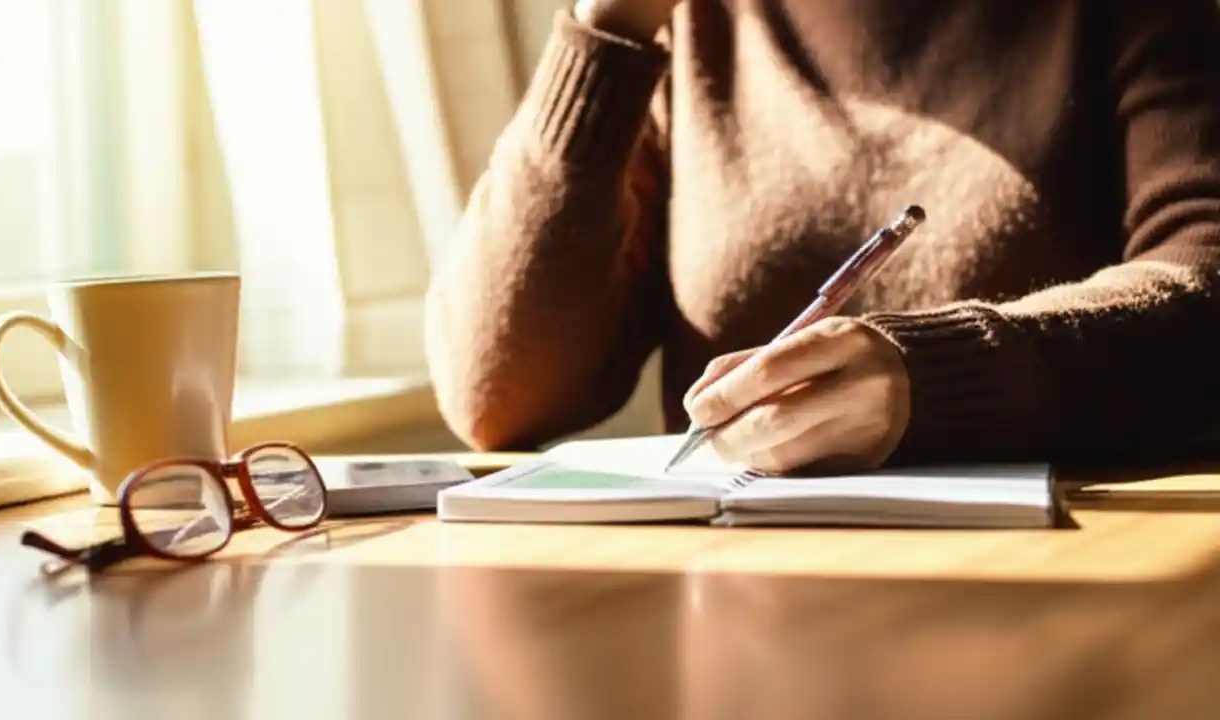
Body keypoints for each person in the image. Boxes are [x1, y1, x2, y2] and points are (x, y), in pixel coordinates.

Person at [425, 0, 1220, 472]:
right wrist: (606, 32)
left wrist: (937, 379)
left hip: (1071, 588)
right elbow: (497, 398)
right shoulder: (691, 28)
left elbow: (1205, 286)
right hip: (742, 602)